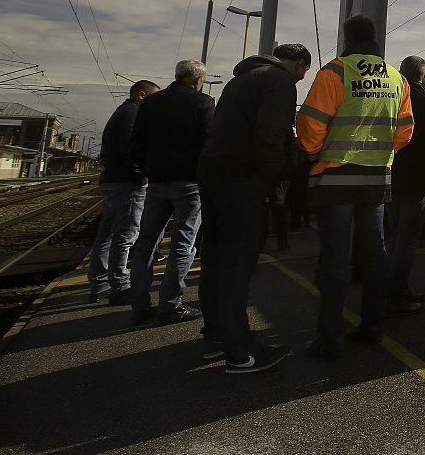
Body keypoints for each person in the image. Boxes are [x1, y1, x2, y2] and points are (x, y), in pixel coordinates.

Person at [297, 15, 413, 358]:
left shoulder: (334, 72)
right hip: (376, 179)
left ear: (347, 38)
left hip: (335, 178)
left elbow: (311, 124)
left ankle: (329, 340)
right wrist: (382, 155)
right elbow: (405, 131)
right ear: (375, 39)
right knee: (374, 254)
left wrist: (316, 152)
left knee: (335, 258)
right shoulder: (397, 78)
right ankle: (373, 328)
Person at [196, 43, 311, 374]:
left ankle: (216, 337)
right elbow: (271, 135)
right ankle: (240, 351)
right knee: (237, 262)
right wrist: (275, 177)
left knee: (216, 258)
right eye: (304, 71)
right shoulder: (278, 81)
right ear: (299, 65)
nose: (302, 78)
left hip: (215, 176)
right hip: (243, 180)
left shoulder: (241, 80)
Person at [128, 59, 214, 325]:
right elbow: (210, 141)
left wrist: (147, 170)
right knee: (183, 243)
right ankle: (170, 305)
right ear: (198, 80)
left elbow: (136, 141)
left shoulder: (150, 103)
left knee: (145, 244)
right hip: (190, 183)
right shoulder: (203, 102)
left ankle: (140, 305)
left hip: (156, 182)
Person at [87, 80, 159, 304]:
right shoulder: (132, 113)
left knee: (107, 235)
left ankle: (99, 283)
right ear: (141, 94)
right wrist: (142, 177)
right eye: (153, 97)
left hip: (114, 181)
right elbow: (131, 149)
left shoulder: (123, 111)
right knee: (126, 235)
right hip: (127, 183)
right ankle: (119, 285)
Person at [386, 55, 425, 314]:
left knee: (394, 234)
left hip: (392, 175)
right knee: (408, 238)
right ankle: (397, 292)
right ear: (423, 75)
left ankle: (390, 286)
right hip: (418, 179)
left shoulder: (392, 98)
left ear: (401, 73)